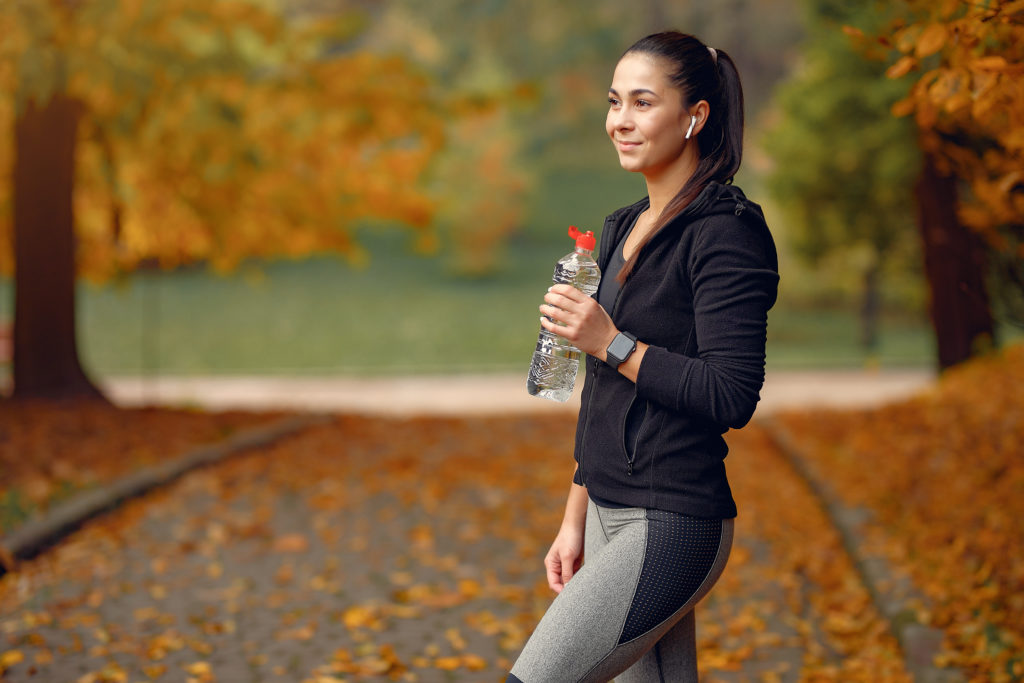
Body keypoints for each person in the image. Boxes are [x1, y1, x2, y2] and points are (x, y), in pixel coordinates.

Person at [506, 31, 780, 683]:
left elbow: (730, 393)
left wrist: (610, 340)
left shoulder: (727, 233)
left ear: (695, 117)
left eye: (641, 102)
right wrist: (573, 517)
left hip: (674, 518)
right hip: (606, 510)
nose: (619, 121)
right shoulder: (622, 227)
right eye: (613, 102)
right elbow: (604, 388)